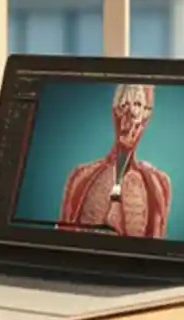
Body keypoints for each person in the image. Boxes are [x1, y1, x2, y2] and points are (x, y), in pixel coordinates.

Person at [58, 84, 171, 238]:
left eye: (137, 105)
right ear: (115, 112)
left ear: (146, 116)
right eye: (124, 105)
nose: (130, 114)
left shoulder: (157, 185)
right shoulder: (80, 177)